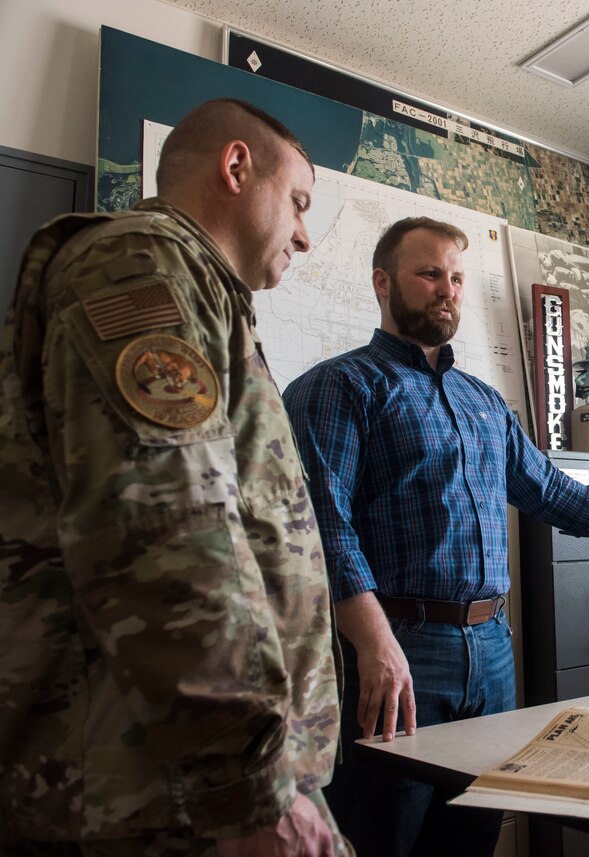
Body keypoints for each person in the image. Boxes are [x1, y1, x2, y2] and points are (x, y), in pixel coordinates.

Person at [0, 99, 350, 857]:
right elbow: (165, 533)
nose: (303, 234)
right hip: (153, 800)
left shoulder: (206, 298)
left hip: (197, 785)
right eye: (297, 202)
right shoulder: (140, 265)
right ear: (235, 167)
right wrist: (249, 791)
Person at [282, 216, 589, 857]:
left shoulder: (483, 401)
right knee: (381, 833)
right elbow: (321, 527)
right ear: (383, 283)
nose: (447, 290)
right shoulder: (337, 388)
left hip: (493, 653)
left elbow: (546, 489)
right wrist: (375, 645)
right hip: (402, 650)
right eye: (429, 274)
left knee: (472, 837)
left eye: (456, 277)